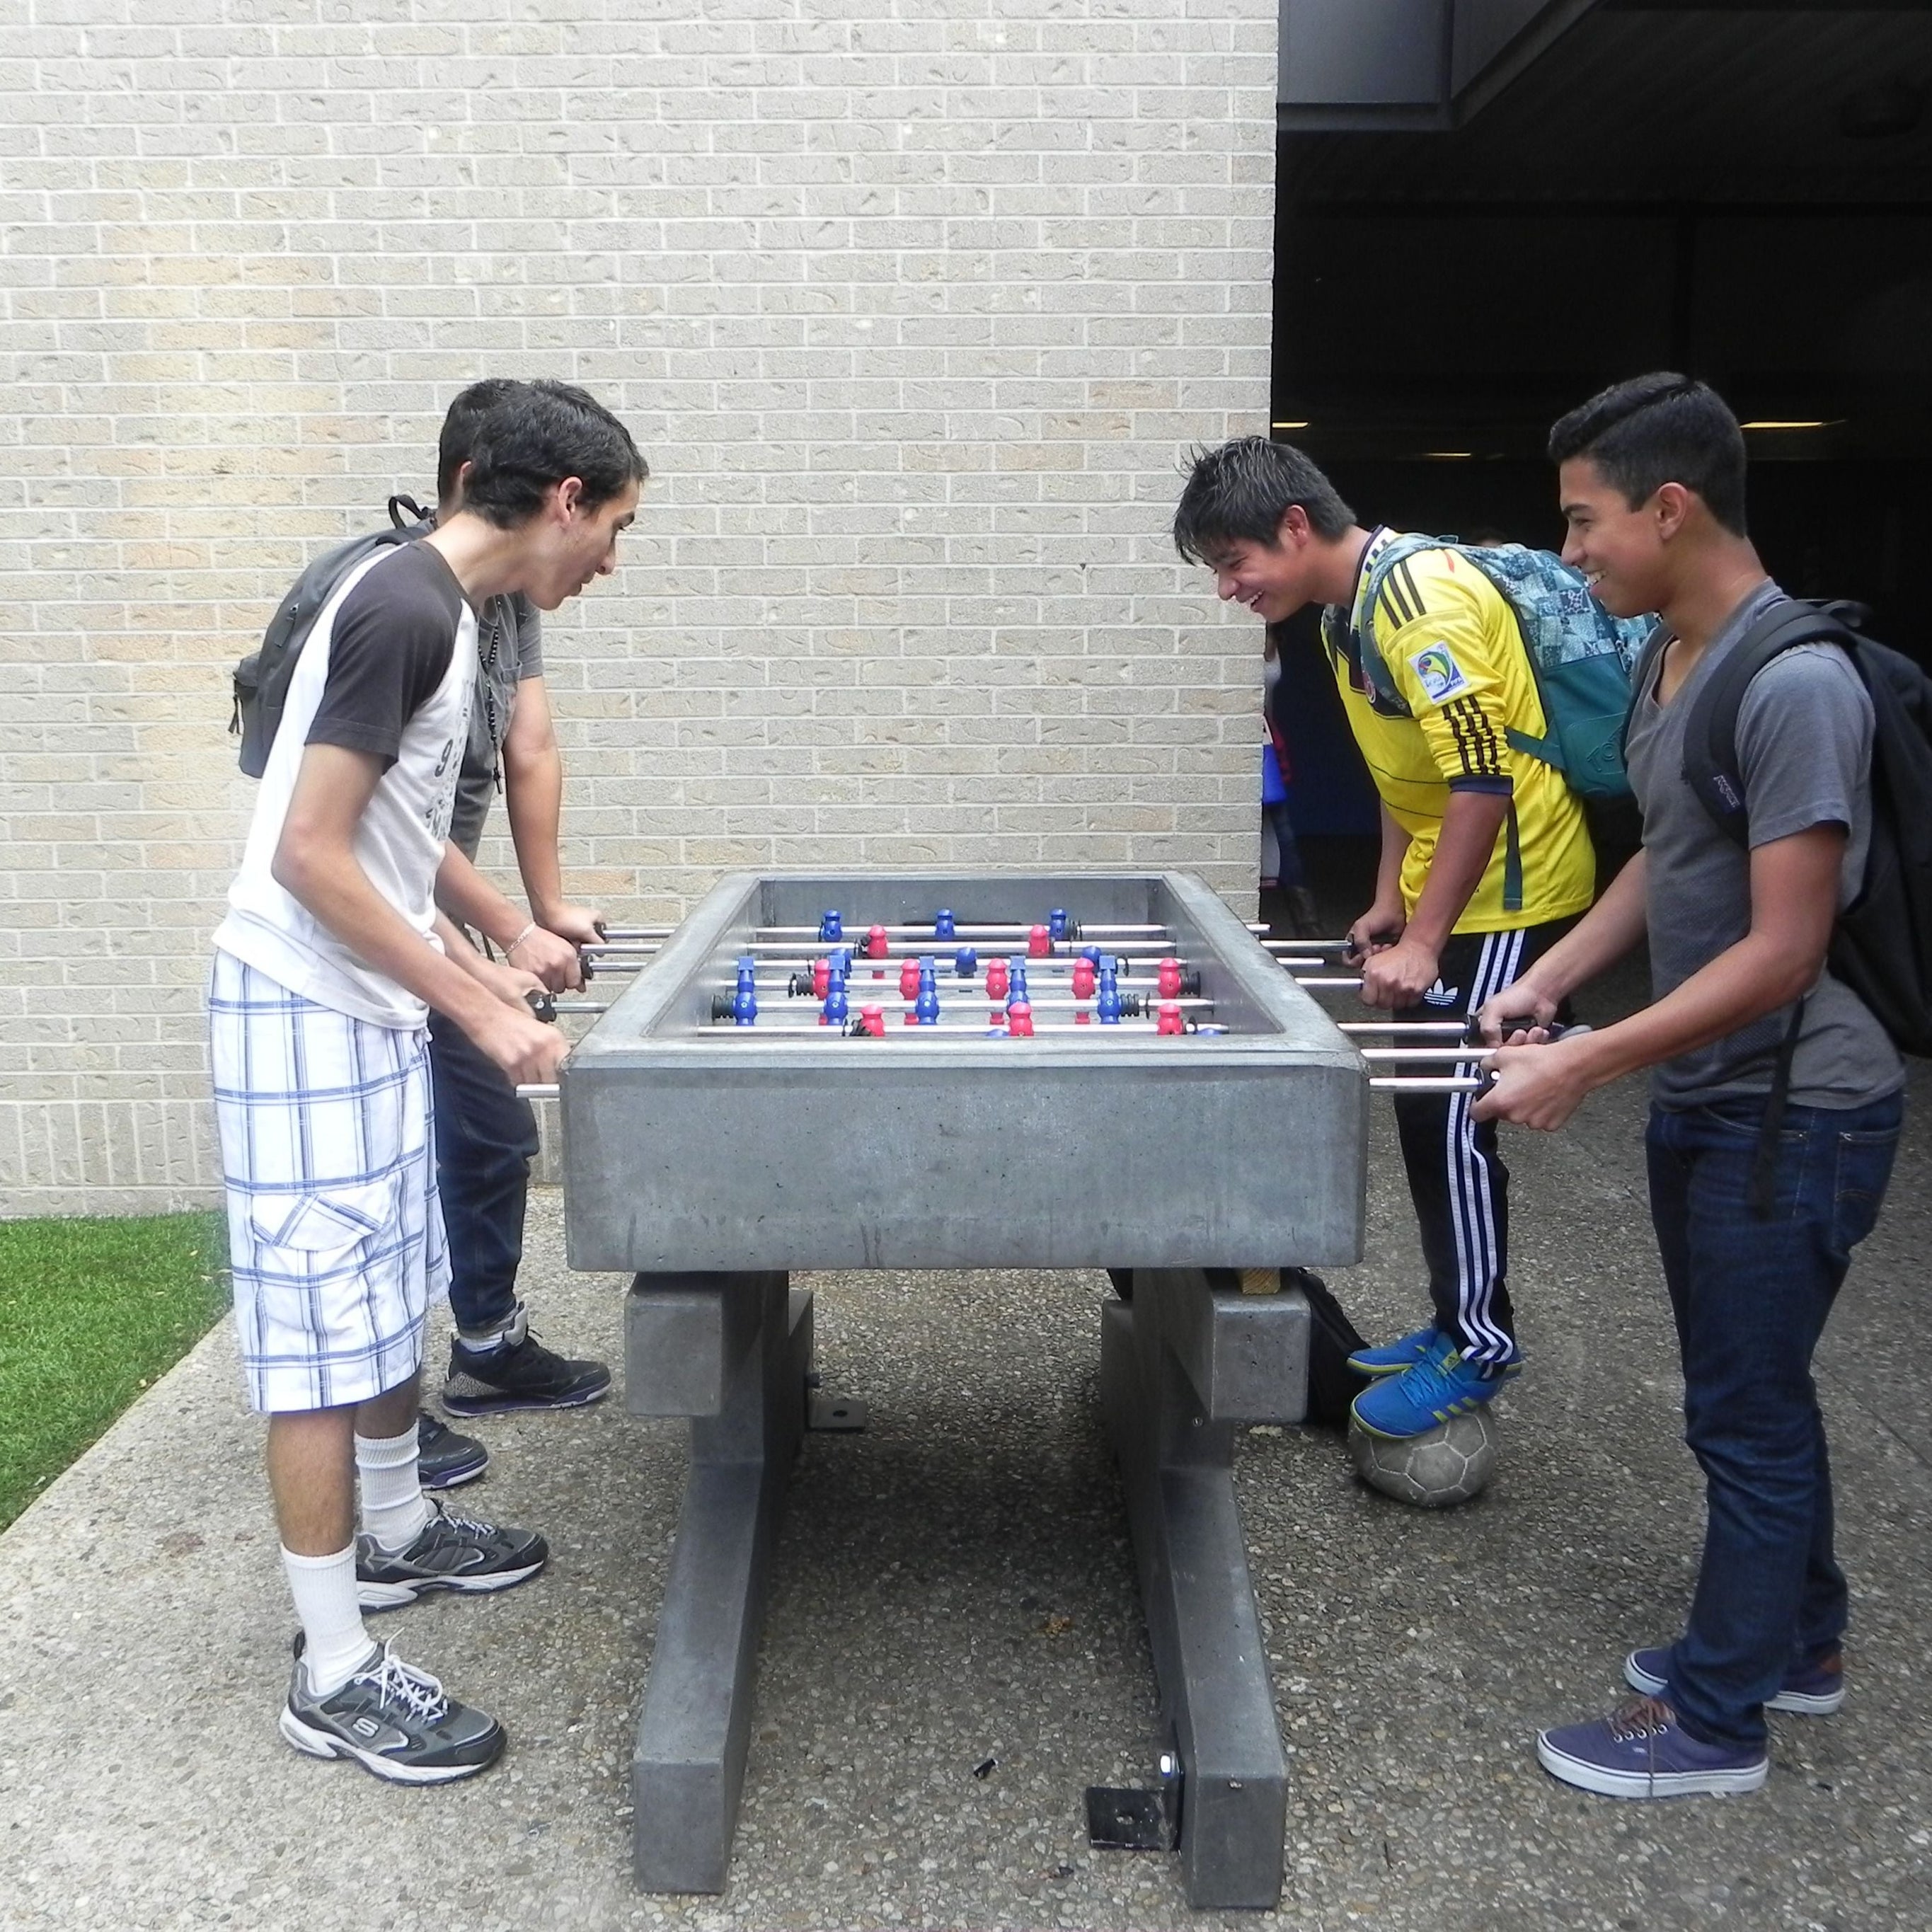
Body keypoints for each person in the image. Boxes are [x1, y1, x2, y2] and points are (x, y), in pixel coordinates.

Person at [209, 380, 645, 1782]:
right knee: (318, 1346)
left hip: (368, 1000)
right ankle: (331, 1670)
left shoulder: (443, 611)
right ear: (562, 499)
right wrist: (478, 1002)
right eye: (615, 525)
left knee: (392, 1285)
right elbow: (310, 854)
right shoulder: (405, 606)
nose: (612, 559)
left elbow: (389, 824)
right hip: (299, 1009)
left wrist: (497, 933)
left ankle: (398, 1531)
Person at [1474, 373, 1903, 1798]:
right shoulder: (1672, 658)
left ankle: (1718, 1723)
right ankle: (1802, 1644)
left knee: (1743, 1413)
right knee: (1754, 1394)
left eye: (1586, 522)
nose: (1574, 551)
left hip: (1798, 1112)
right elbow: (1673, 852)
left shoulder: (1795, 685)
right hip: (1719, 1097)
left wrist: (1591, 1056)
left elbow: (1784, 951)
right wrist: (1553, 982)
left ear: (1672, 506)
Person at [1173, 438, 1596, 1439]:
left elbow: (1482, 778)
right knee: (1423, 1118)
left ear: (1292, 526)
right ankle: (1454, 1318)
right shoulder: (1346, 616)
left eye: (1234, 562)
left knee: (1452, 1118)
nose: (1229, 588)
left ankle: (1479, 1341)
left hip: (1511, 895)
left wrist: (1430, 935)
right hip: (1457, 894)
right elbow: (1406, 776)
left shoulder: (1420, 599)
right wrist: (1387, 903)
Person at [417, 381, 616, 1483]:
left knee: (491, 1131)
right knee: (407, 1165)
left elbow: (531, 747)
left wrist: (541, 912)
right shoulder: (404, 603)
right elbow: (363, 828)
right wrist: (489, 947)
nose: (601, 556)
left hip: (434, 898)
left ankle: (485, 1342)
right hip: (380, 909)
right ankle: (378, 1426)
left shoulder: (507, 604)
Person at [1262, 629, 1321, 938]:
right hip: (1251, 743)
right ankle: (1304, 928)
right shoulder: (1243, 633)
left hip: (1267, 742)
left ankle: (1308, 929)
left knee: (1284, 839)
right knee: (1273, 839)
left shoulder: (1273, 634)